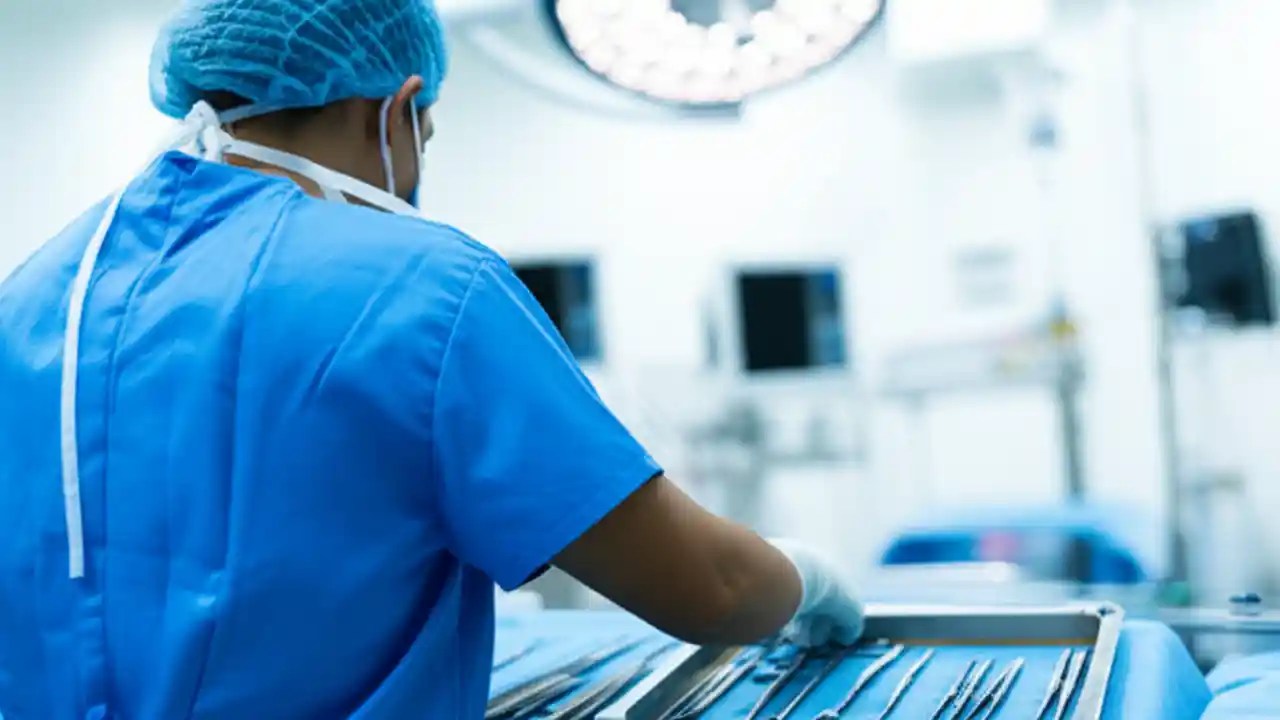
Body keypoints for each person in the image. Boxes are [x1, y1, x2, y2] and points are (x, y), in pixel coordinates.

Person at [0, 1, 864, 718]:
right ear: (398, 111)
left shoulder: (35, 293)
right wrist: (809, 579)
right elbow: (707, 588)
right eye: (429, 134)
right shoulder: (428, 286)